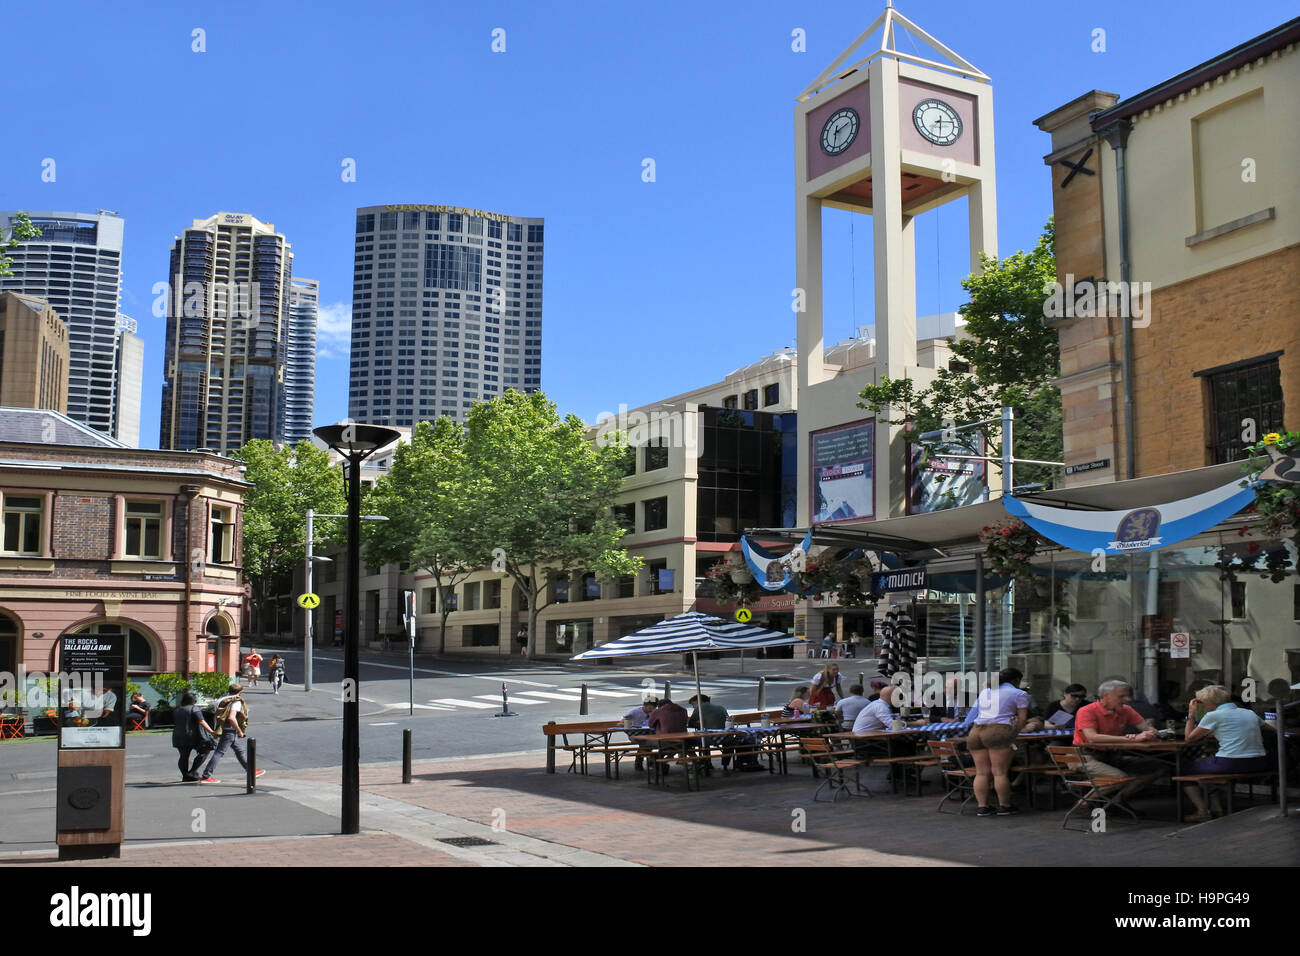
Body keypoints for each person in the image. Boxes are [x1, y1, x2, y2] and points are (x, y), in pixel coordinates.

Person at [1181, 684, 1273, 821]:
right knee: (1207, 763)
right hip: (1258, 762)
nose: (1202, 705)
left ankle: (1202, 811)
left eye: (1202, 703)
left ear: (1210, 703)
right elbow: (1270, 728)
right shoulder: (1249, 713)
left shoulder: (1213, 715)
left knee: (1185, 770)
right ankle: (1216, 807)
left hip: (1231, 762)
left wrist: (1191, 715)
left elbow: (1189, 738)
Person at [1072, 679, 1166, 806]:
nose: (1127, 699)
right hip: (1085, 756)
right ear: (1105, 696)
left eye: (1128, 696)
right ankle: (1086, 800)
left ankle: (1116, 802)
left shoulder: (1126, 710)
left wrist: (1151, 733)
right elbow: (1092, 737)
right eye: (1121, 696)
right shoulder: (1087, 711)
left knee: (1156, 768)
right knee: (1119, 778)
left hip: (1112, 755)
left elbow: (1147, 728)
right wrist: (1132, 738)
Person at [968, 667, 1031, 817]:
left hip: (976, 731)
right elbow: (1022, 719)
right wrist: (1015, 732)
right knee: (999, 772)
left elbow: (973, 714)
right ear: (1016, 680)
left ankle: (982, 807)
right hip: (999, 731)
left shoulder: (985, 691)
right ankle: (1004, 806)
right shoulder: (1019, 693)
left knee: (981, 772)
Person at [200, 683, 267, 783]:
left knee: (239, 751)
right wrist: (239, 730)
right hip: (230, 730)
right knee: (219, 752)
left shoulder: (220, 700)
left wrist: (217, 730)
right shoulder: (236, 702)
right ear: (240, 692)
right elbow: (232, 717)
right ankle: (206, 775)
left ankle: (251, 770)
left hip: (223, 728)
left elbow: (217, 716)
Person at [172, 692, 217, 781]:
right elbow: (201, 721)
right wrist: (211, 731)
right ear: (194, 700)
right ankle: (192, 771)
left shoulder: (177, 710)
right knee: (205, 751)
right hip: (192, 736)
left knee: (184, 756)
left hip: (178, 735)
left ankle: (185, 775)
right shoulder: (194, 709)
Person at [1023, 683, 1088, 732]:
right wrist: (1054, 727)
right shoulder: (1053, 706)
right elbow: (1046, 724)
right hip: (1058, 736)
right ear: (1065, 694)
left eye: (1081, 697)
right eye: (1074, 696)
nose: (1077, 699)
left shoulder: (1086, 705)